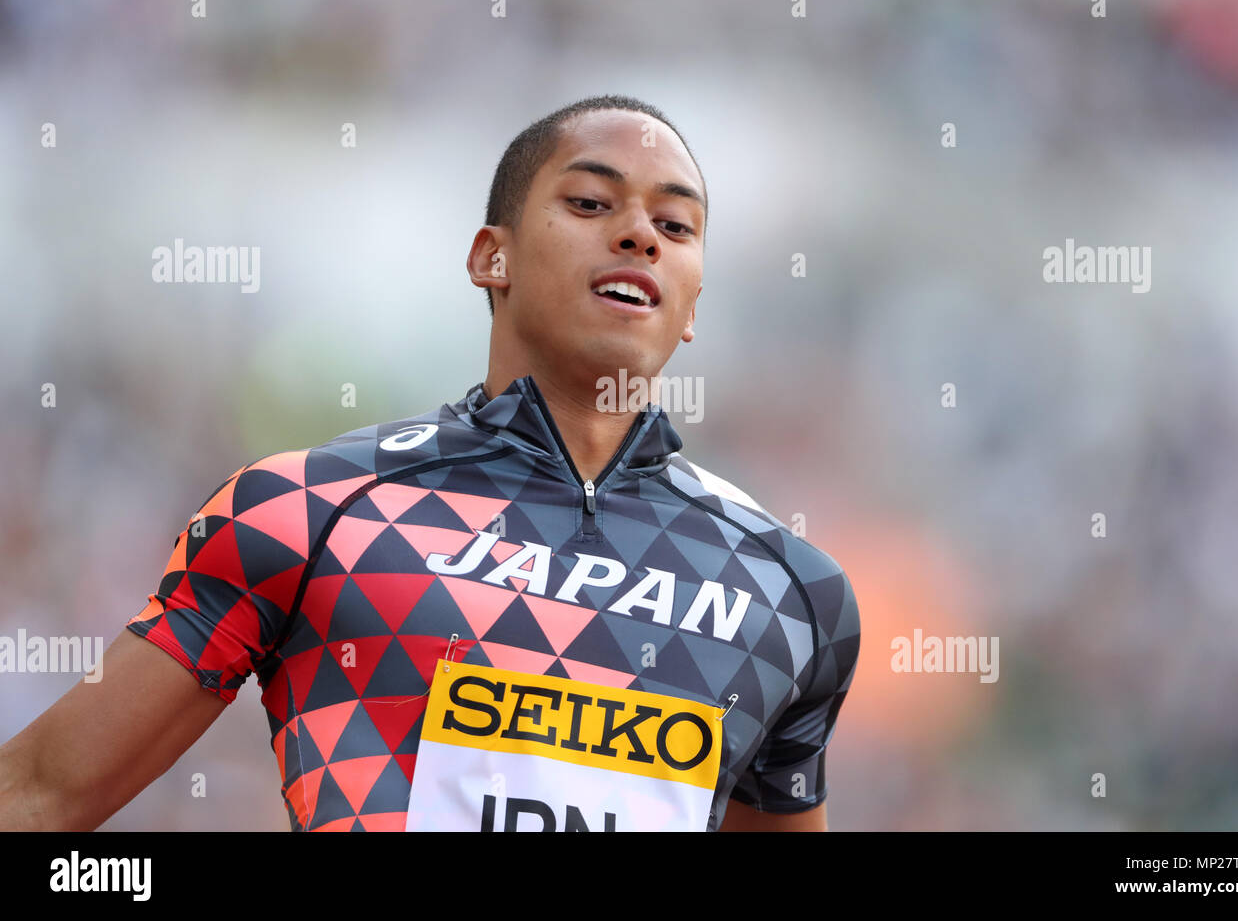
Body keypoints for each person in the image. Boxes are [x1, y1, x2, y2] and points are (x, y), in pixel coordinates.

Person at [0, 94, 860, 832]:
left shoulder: (793, 592)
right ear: (494, 256)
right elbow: (39, 797)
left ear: (692, 301)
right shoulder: (305, 509)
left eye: (674, 226)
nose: (639, 234)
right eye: (593, 203)